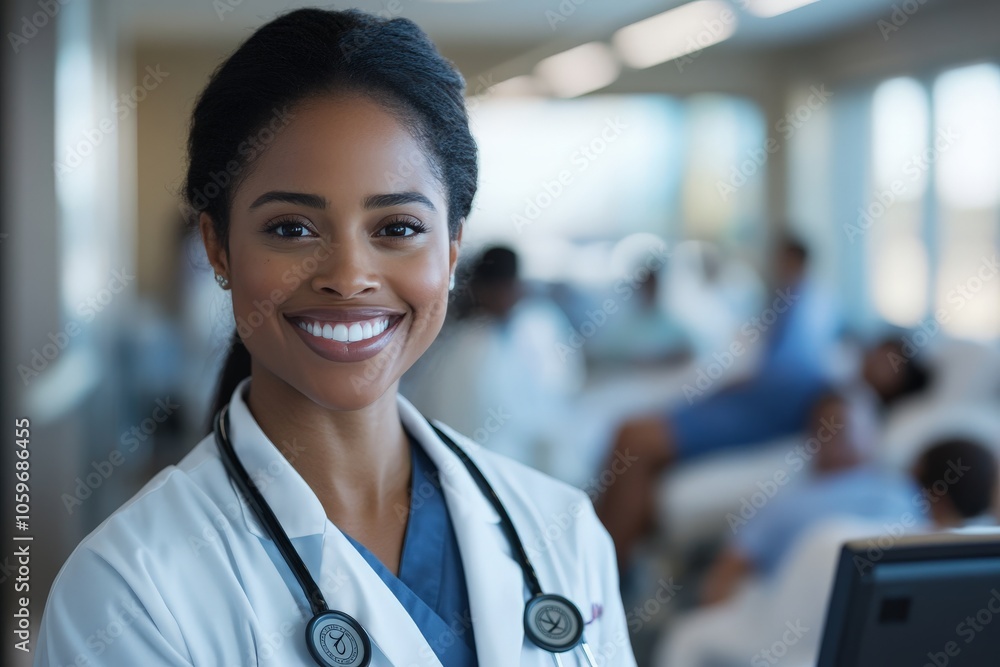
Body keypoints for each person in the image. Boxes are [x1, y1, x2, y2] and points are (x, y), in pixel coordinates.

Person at [35, 10, 634, 667]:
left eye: (398, 227)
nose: (349, 278)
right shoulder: (130, 593)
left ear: (453, 247)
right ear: (219, 248)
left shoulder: (563, 532)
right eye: (292, 228)